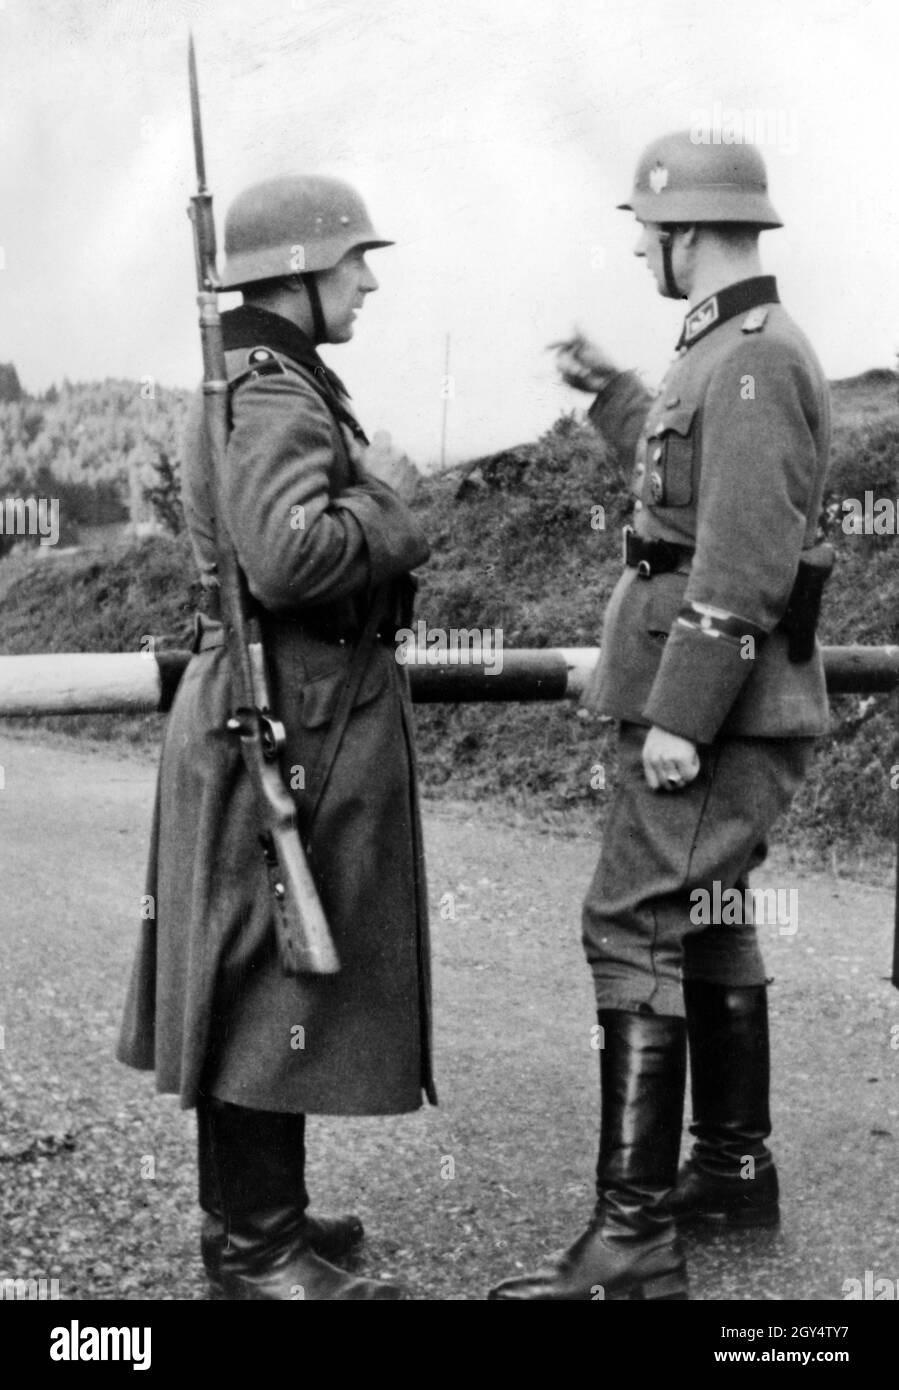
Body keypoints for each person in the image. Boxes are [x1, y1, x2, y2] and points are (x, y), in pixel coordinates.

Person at [489, 131, 831, 1301]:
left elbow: (740, 557)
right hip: (721, 692)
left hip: (714, 703)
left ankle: (631, 1240)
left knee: (630, 921)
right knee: (710, 910)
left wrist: (679, 715)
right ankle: (730, 1170)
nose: (637, 240)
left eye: (644, 225)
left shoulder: (751, 354)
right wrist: (616, 396)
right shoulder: (728, 349)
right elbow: (696, 485)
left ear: (682, 229)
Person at [117, 174, 434, 1301]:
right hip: (286, 703)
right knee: (267, 973)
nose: (368, 278)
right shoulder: (276, 392)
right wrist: (394, 501)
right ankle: (254, 1252)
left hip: (281, 696)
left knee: (271, 965)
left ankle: (264, 1222)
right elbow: (290, 557)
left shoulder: (256, 376)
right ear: (296, 270)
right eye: (354, 259)